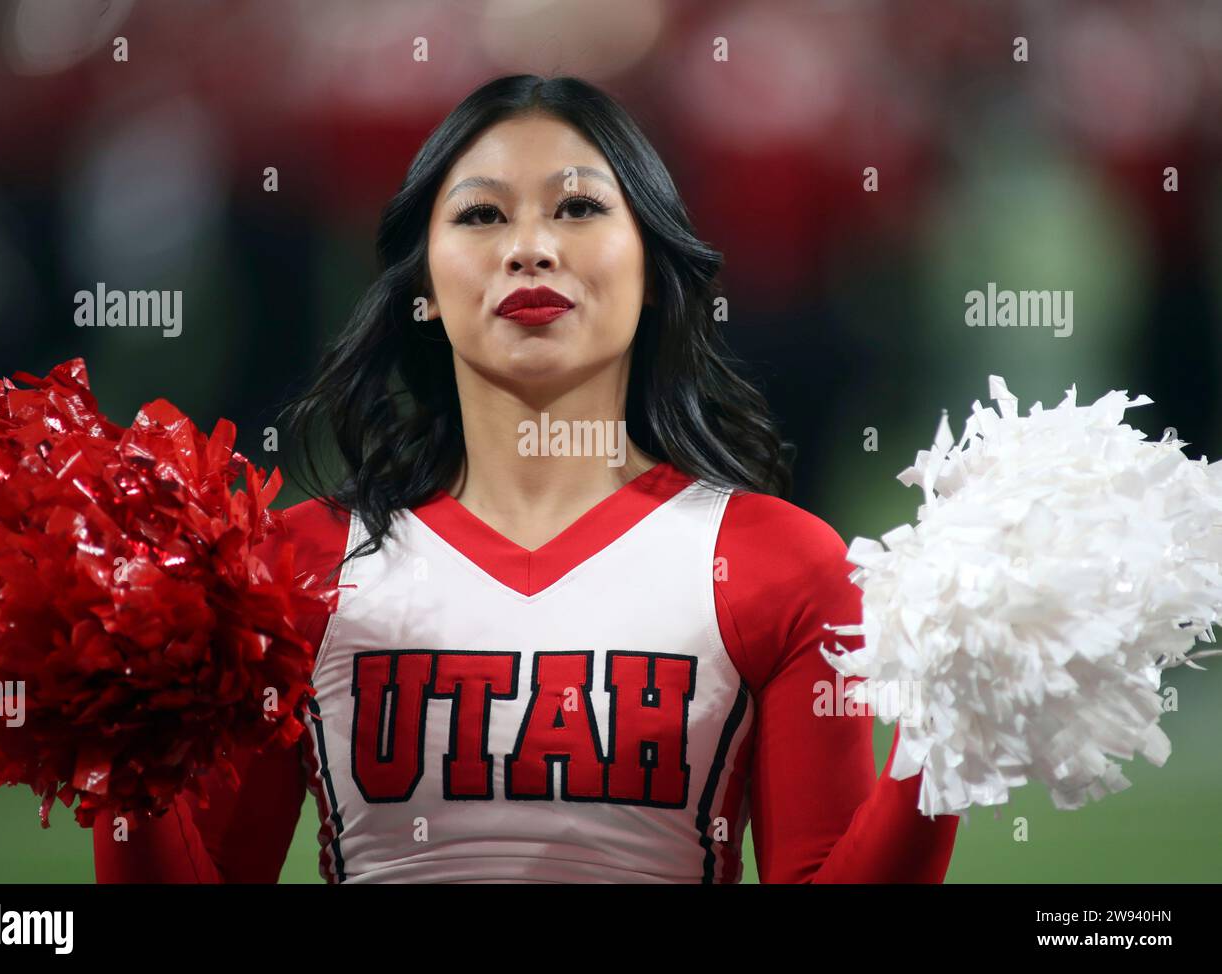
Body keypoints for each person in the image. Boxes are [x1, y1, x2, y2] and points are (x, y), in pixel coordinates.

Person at [93, 74, 959, 884]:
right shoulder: (287, 568)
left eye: (579, 207)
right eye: (480, 216)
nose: (531, 248)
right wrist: (110, 726)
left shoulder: (783, 563)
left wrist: (949, 740)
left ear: (654, 271)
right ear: (422, 287)